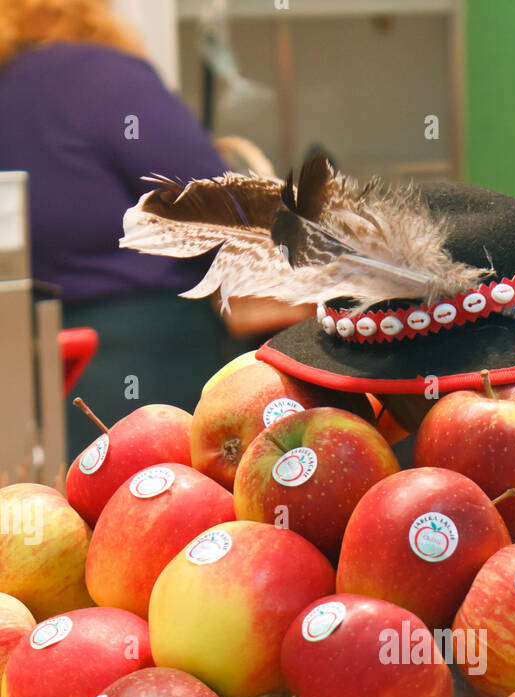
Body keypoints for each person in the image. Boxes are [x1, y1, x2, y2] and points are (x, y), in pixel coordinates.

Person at [0, 0, 299, 458]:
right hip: (149, 350)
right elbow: (218, 203)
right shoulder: (101, 75)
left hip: (38, 360)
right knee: (176, 501)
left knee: (86, 510)